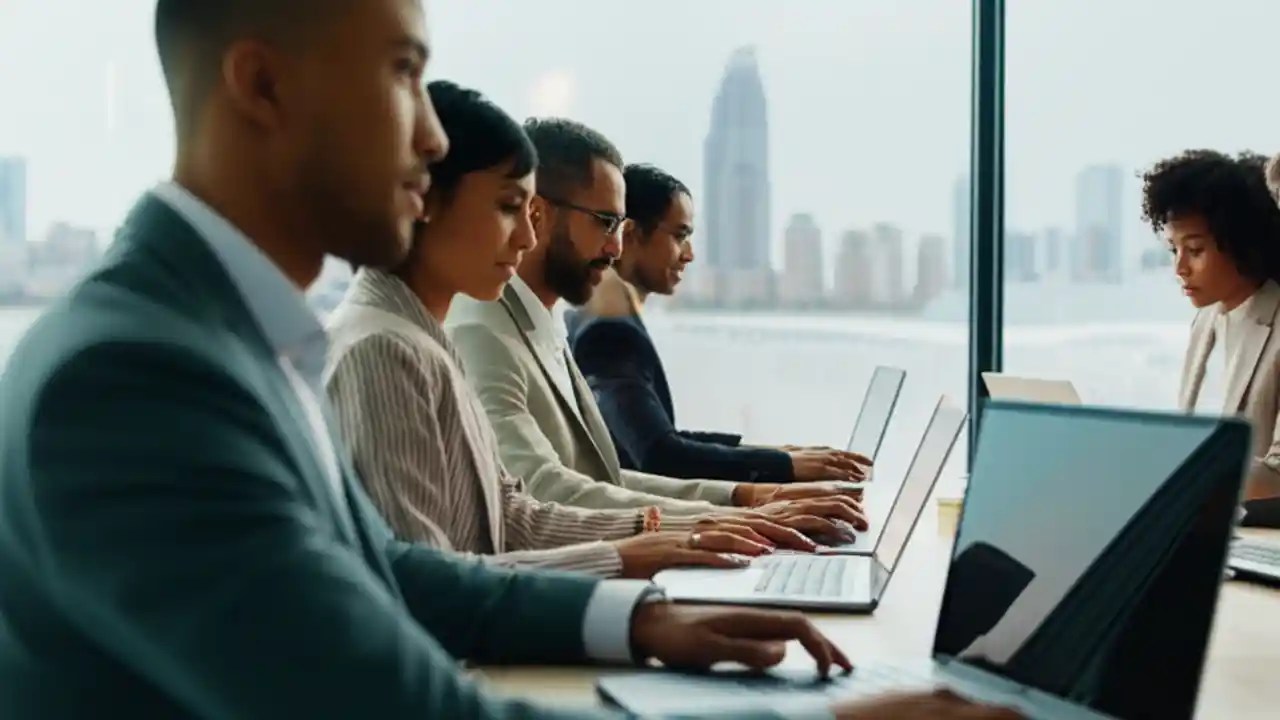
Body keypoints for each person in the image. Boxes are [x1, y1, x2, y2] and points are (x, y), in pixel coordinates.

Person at [0, 2, 1030, 719]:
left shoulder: (228, 333)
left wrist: (643, 621)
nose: (430, 137)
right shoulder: (134, 380)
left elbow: (391, 570)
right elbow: (391, 707)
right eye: (404, 74)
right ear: (262, 84)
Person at [324, 80, 816, 579]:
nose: (526, 235)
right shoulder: (390, 347)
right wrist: (637, 566)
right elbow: (425, 583)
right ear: (423, 198)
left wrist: (702, 523)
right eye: (509, 207)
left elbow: (512, 513)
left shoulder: (433, 334)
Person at [445, 117, 870, 544]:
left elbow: (605, 478)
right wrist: (718, 521)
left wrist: (751, 497)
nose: (615, 248)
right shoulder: (483, 331)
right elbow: (543, 491)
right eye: (605, 223)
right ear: (538, 213)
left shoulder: (542, 322)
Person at [569, 163, 866, 484]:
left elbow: (652, 434)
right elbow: (658, 453)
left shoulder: (594, 313)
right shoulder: (610, 331)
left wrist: (778, 454)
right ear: (631, 235)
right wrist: (782, 466)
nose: (689, 254)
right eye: (680, 236)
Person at [1142, 149, 1280, 525]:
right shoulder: (1206, 321)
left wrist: (1181, 468)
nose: (1180, 268)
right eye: (1174, 249)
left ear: (1240, 242)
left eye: (1195, 250)